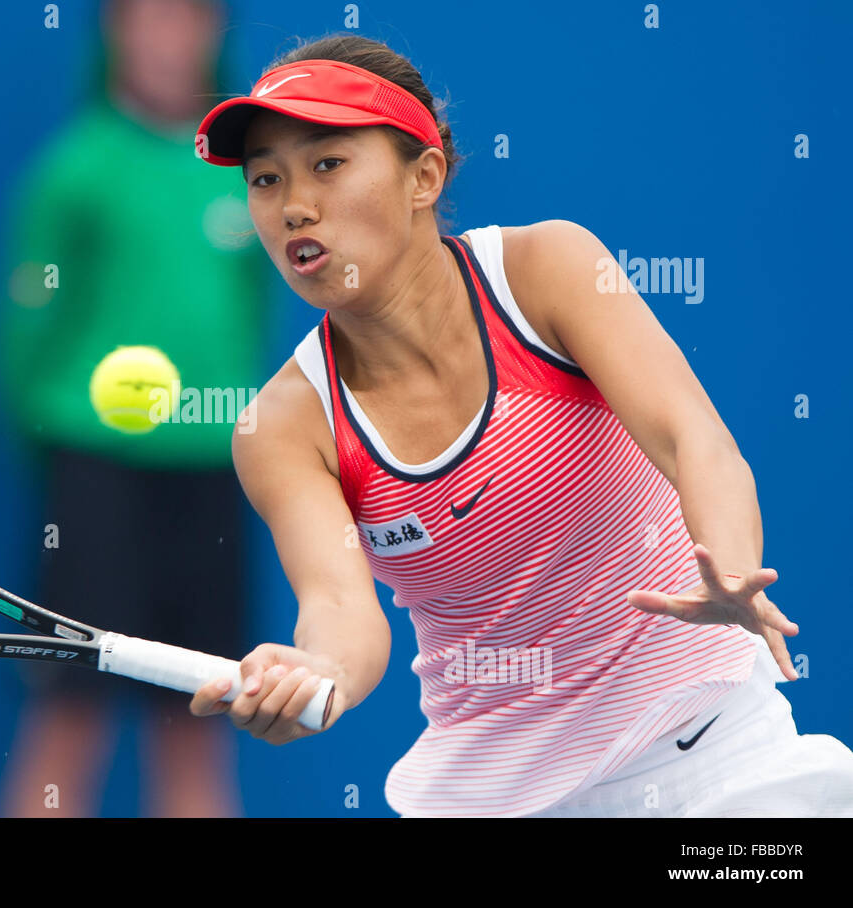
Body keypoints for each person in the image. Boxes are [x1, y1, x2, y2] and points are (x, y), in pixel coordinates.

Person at [187, 32, 853, 817]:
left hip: (719, 763)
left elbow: (692, 441)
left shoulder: (548, 273)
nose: (294, 204)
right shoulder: (283, 427)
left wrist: (733, 572)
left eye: (327, 164)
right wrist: (314, 677)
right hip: (498, 799)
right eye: (265, 180)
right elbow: (339, 606)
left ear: (423, 177)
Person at [0, 0, 269, 817]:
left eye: (186, 19)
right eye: (145, 18)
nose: (165, 38)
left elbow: (249, 317)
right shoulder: (76, 169)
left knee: (200, 723)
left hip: (212, 475)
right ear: (112, 33)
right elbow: (22, 334)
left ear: (215, 34)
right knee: (68, 719)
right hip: (94, 478)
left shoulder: (244, 178)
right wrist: (60, 439)